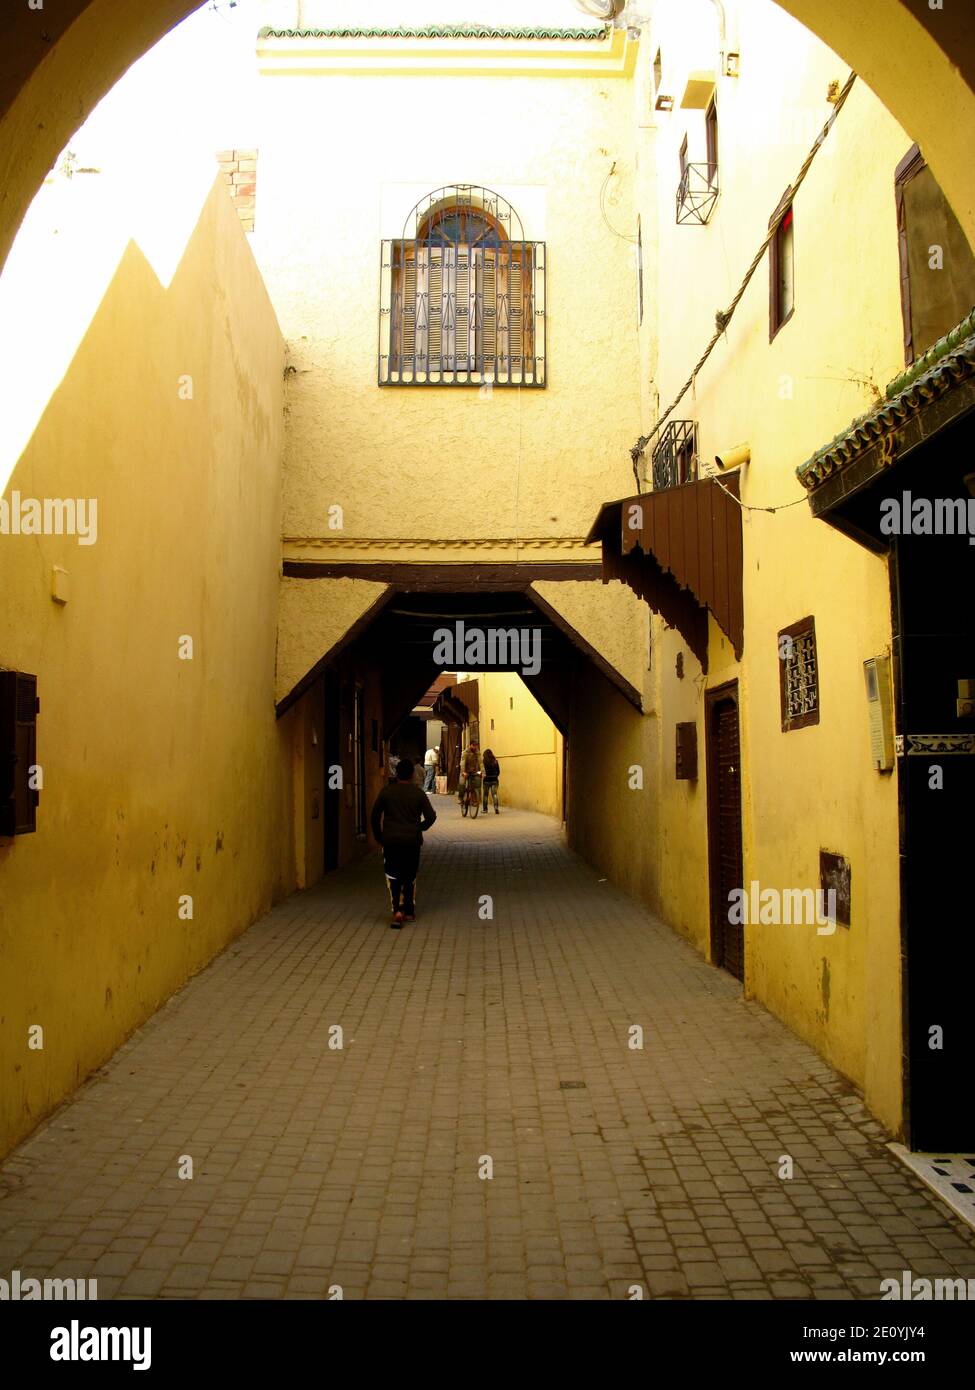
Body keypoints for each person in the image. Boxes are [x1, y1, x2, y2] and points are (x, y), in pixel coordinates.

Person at [370, 758, 436, 929]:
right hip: (412, 841)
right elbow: (431, 816)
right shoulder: (418, 794)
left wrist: (379, 837)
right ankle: (409, 911)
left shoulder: (386, 792)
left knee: (393, 875)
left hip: (391, 841)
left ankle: (397, 910)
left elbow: (374, 816)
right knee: (410, 875)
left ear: (396, 773)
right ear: (413, 774)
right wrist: (418, 828)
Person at [457, 739, 481, 808]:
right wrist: (463, 772)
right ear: (470, 745)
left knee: (477, 784)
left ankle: (474, 800)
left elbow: (481, 762)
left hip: (473, 771)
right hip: (464, 771)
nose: (475, 747)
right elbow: (463, 763)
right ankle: (460, 798)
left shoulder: (477, 752)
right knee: (462, 784)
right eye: (474, 745)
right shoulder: (465, 752)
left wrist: (483, 772)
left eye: (476, 746)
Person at [482, 748, 501, 814]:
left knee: (485, 795)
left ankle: (485, 809)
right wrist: (495, 776)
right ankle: (496, 808)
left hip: (486, 780)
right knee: (494, 794)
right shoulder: (495, 761)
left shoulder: (483, 762)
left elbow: (482, 771)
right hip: (494, 780)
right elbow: (498, 772)